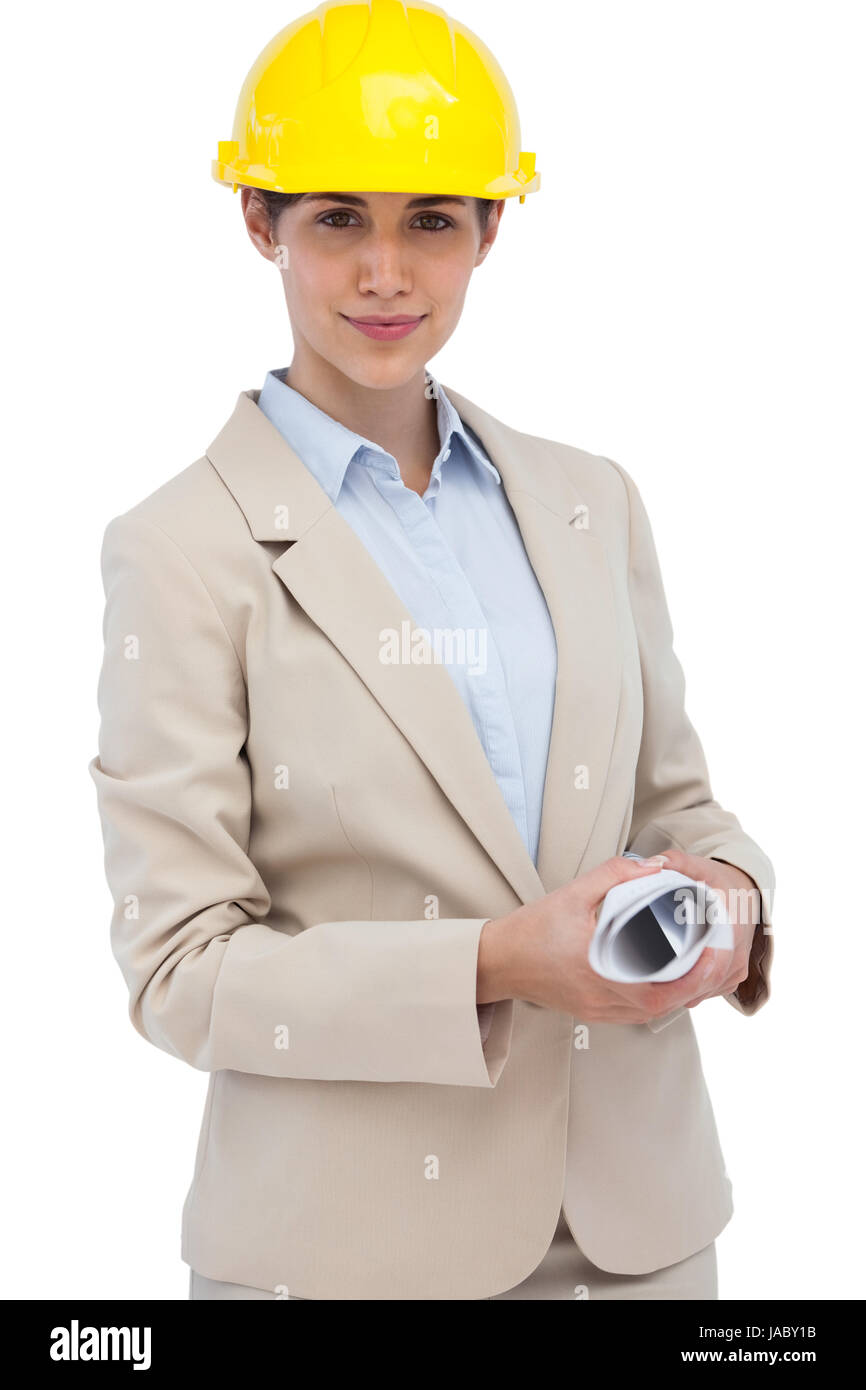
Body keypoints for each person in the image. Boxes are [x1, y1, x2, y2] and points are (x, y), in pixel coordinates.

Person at [88, 0, 774, 1301]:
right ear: (260, 222)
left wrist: (730, 904)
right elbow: (180, 968)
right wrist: (493, 962)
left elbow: (681, 807)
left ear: (490, 230)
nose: (385, 273)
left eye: (432, 221)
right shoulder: (180, 548)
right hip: (347, 1256)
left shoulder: (591, 500)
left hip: (643, 1237)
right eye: (338, 217)